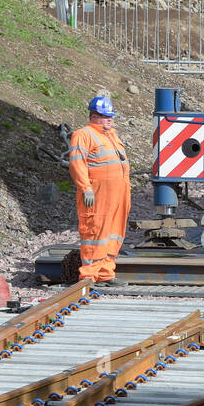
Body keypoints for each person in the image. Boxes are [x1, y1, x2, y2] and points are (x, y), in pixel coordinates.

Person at [68, 94, 130, 282]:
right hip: (98, 194)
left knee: (113, 232)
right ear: (94, 116)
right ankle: (89, 275)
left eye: (110, 116)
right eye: (105, 116)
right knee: (95, 231)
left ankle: (105, 272)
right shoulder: (84, 135)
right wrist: (85, 188)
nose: (109, 119)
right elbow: (77, 163)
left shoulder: (111, 135)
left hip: (118, 194)